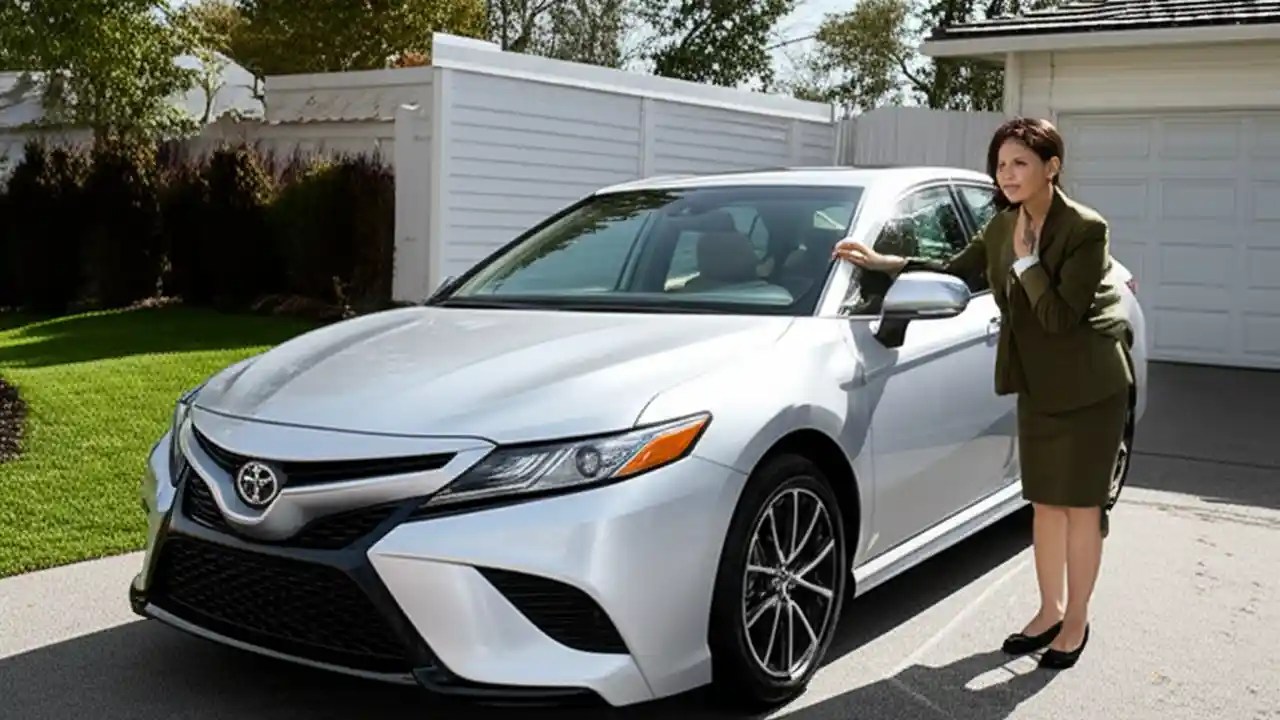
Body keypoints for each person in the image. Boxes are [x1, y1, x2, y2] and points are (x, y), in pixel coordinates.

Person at [832, 117, 1134, 670]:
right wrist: (880, 264)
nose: (1007, 175)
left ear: (1052, 167)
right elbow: (952, 271)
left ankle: (1076, 620)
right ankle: (1049, 609)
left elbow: (1061, 318)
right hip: (1038, 386)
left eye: (1020, 163)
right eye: (1000, 165)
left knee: (1080, 508)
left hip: (1091, 388)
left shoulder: (1086, 229)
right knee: (1045, 505)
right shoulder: (1001, 227)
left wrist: (1027, 261)